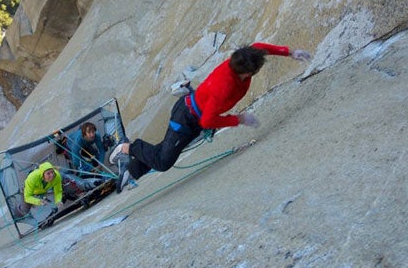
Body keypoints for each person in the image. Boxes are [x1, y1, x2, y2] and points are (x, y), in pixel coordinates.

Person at [110, 42, 311, 193]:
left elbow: (260, 47)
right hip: (186, 118)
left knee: (166, 150)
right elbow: (207, 121)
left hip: (194, 114)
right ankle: (127, 147)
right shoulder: (224, 86)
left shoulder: (242, 59)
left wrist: (290, 52)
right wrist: (238, 120)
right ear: (248, 72)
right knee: (163, 162)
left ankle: (132, 171)